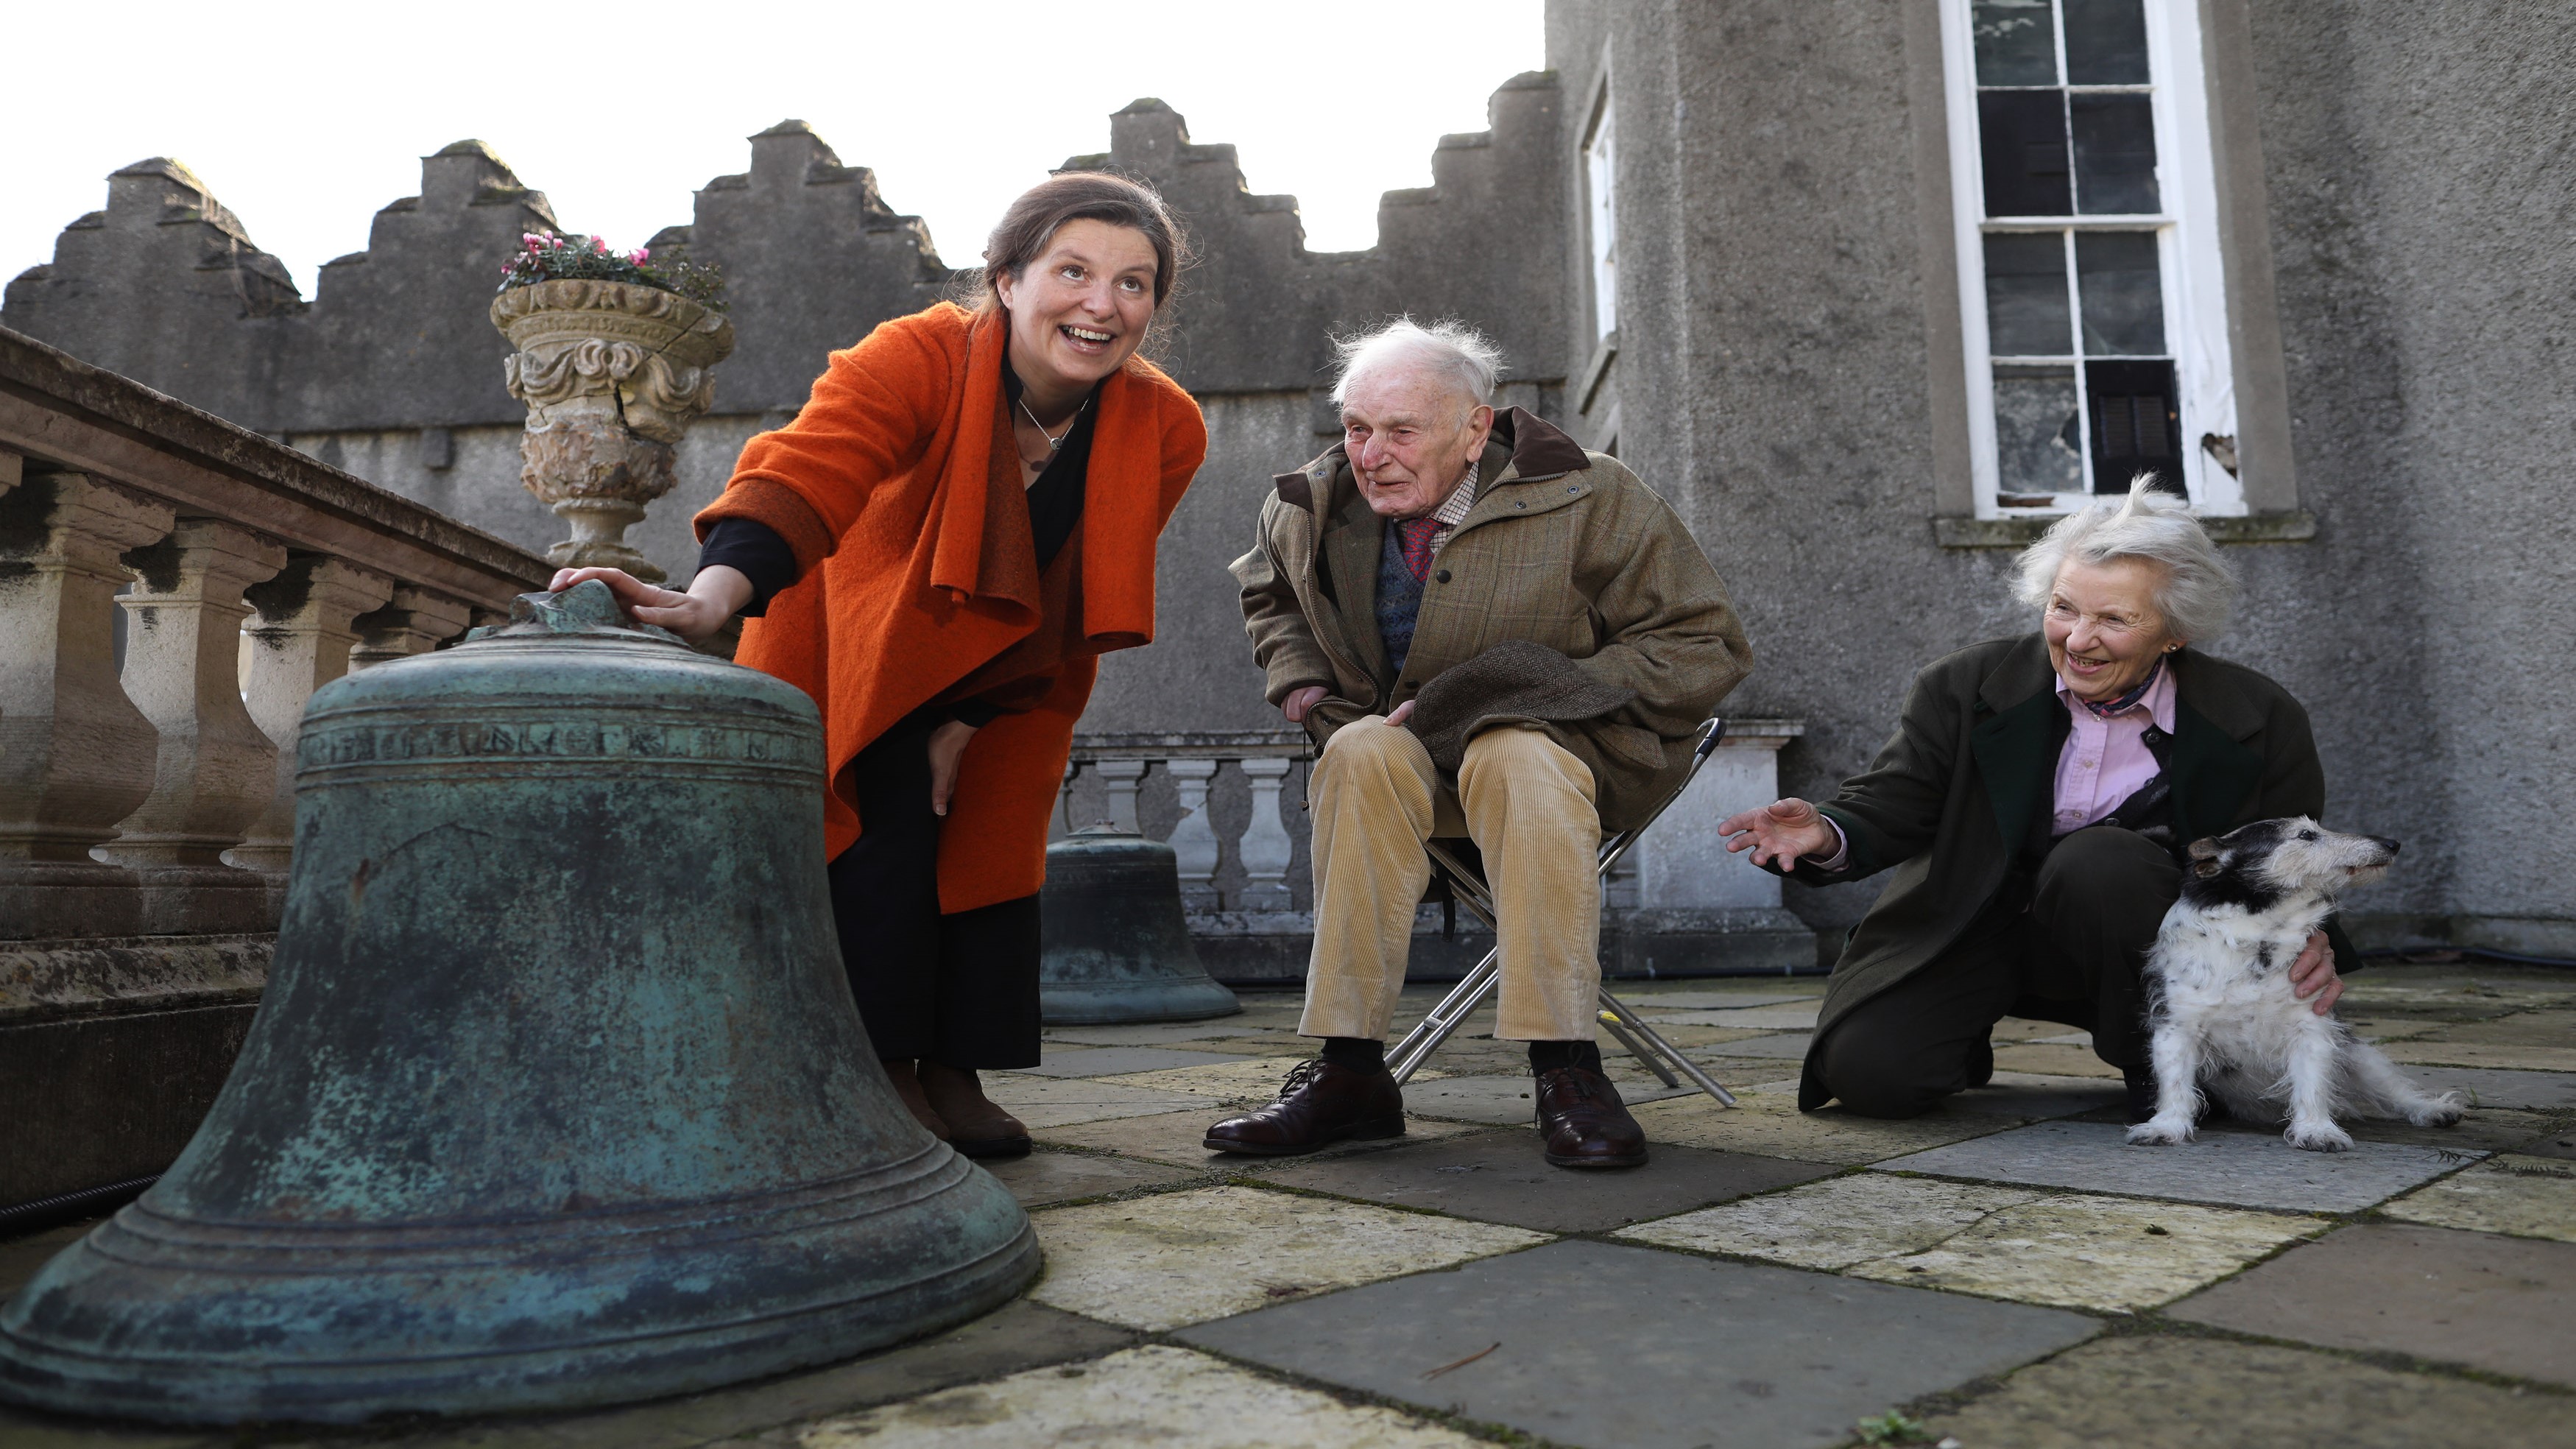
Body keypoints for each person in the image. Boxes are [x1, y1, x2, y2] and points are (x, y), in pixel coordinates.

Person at [551, 173, 1206, 1159]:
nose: (1101, 305)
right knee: (884, 824)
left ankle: (956, 1066)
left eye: (1133, 283)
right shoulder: (920, 354)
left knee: (989, 842)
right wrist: (713, 596)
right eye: (1071, 271)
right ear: (1008, 278)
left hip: (1014, 663)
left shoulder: (1165, 426)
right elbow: (811, 466)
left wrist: (973, 718)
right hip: (858, 633)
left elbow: (1079, 590)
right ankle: (878, 1067)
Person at [1214, 319, 1751, 1169]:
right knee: (1356, 752)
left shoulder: (1592, 493)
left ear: (1473, 430)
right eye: (1357, 429)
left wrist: (1504, 690)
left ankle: (1567, 1064)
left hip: (1569, 758)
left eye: (1401, 431)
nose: (1371, 453)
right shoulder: (1305, 506)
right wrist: (1307, 688)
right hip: (1409, 765)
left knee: (1513, 750)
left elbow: (1703, 645)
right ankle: (1350, 1072)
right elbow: (1268, 593)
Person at [1719, 480, 2353, 1122]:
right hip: (1970, 924)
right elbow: (1897, 798)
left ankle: (2160, 1063)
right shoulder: (1962, 686)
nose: (2078, 640)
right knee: (1871, 1078)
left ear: (2174, 633)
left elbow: (2288, 860)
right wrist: (1825, 832)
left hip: (2141, 945)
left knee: (2101, 861)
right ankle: (1957, 1029)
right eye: (2063, 608)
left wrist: (2308, 937)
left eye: (2114, 619)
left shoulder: (2257, 716)